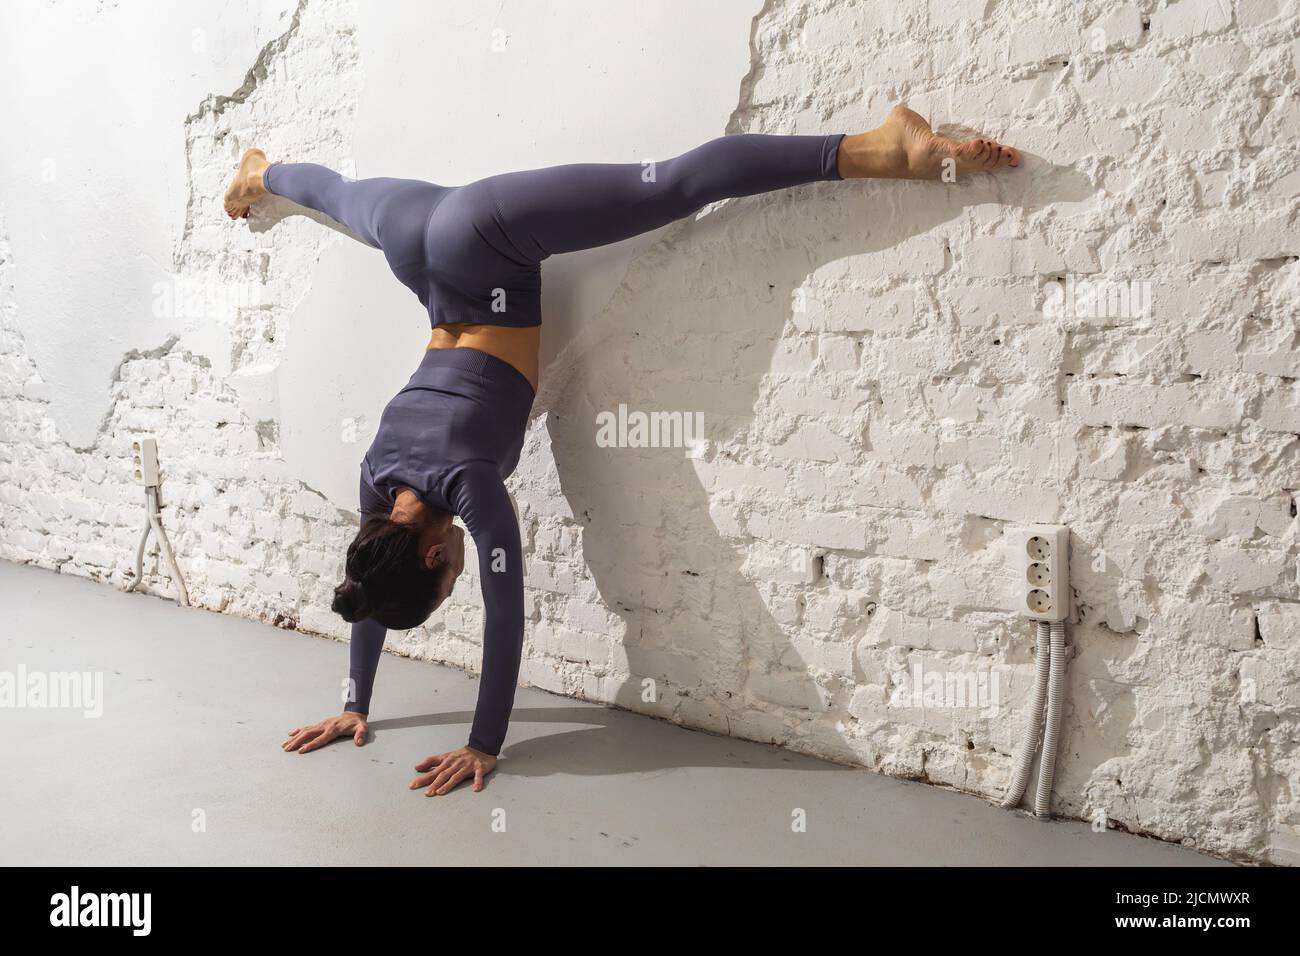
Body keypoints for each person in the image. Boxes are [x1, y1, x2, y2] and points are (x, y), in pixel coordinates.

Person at [224, 106, 1020, 796]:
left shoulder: (471, 488)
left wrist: (485, 743)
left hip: (485, 241)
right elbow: (363, 582)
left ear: (437, 556)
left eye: (447, 583)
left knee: (677, 188)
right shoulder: (380, 480)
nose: (462, 577)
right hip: (421, 248)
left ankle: (885, 147)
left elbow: (507, 618)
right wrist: (354, 700)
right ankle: (266, 174)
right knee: (330, 195)